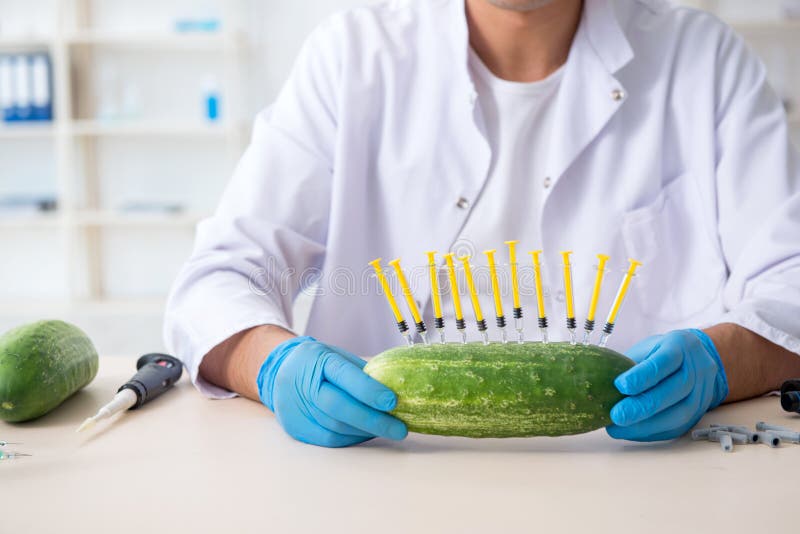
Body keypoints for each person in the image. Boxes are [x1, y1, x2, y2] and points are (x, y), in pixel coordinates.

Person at [164, 0, 800, 447]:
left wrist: (720, 363)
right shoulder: (352, 58)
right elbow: (222, 277)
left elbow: (790, 282)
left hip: (650, 485)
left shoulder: (705, 61)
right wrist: (275, 368)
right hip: (378, 476)